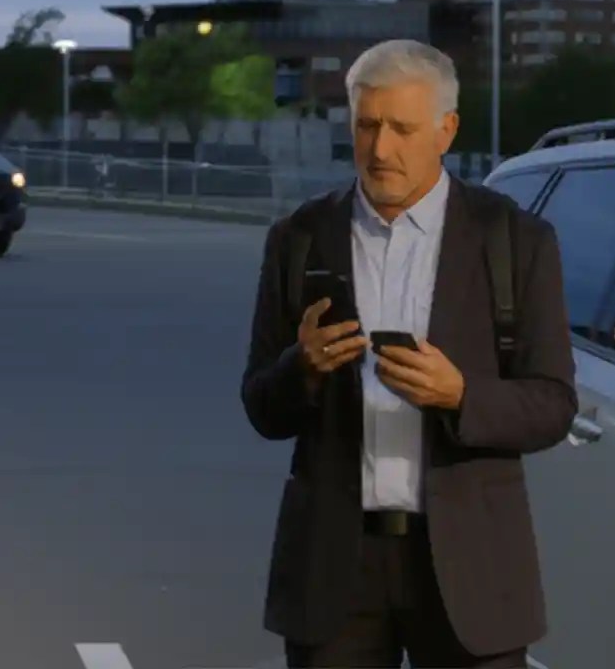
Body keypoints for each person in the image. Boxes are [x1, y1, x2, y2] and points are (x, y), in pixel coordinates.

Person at [239, 38, 577, 668]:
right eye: (367, 125)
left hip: (471, 574)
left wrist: (462, 395)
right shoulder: (300, 239)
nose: (380, 148)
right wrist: (301, 368)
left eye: (401, 128)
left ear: (446, 131)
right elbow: (260, 405)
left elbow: (554, 404)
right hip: (333, 574)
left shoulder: (516, 242)